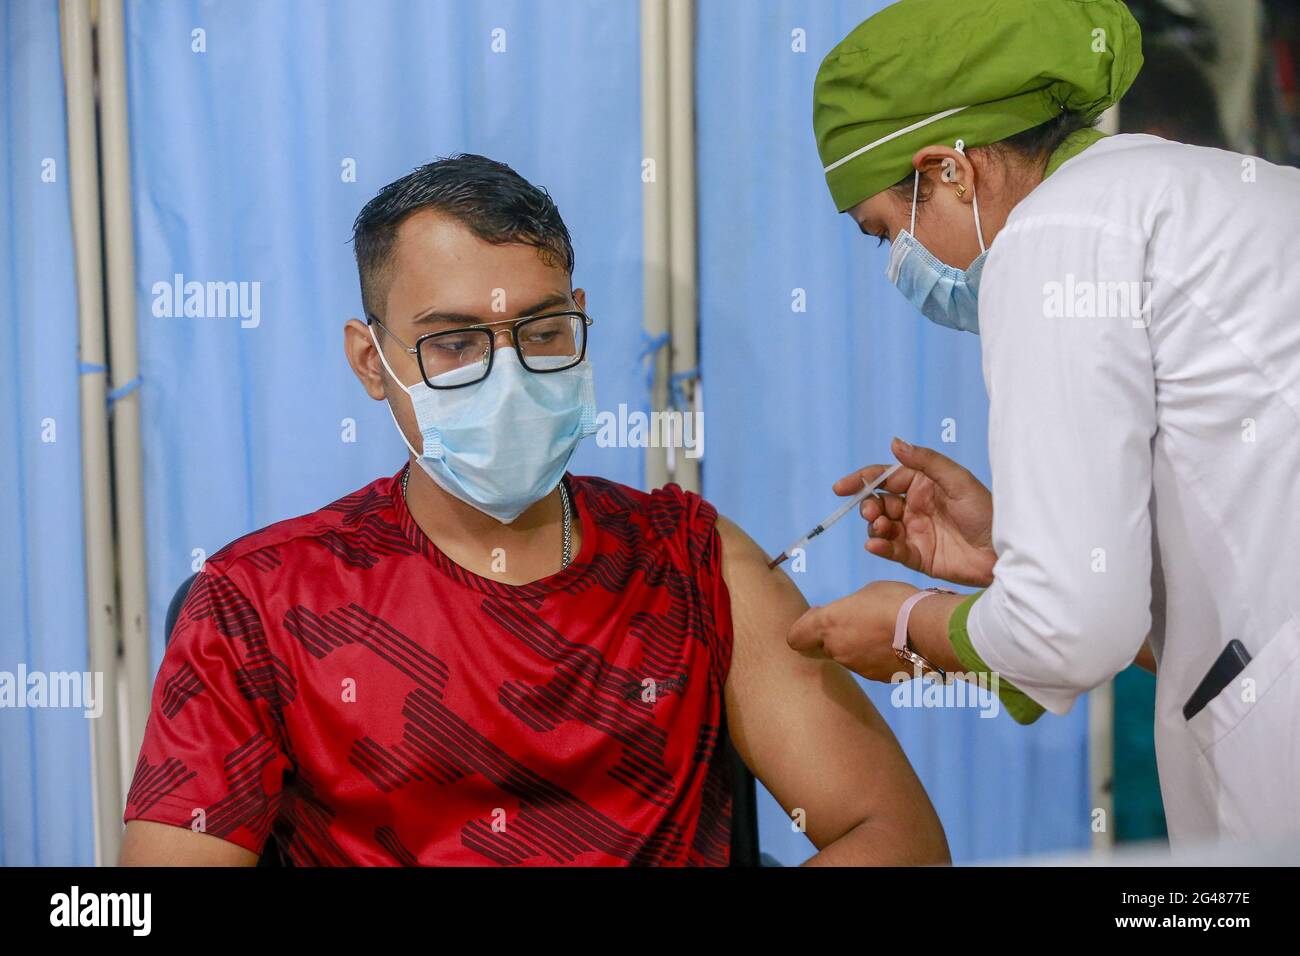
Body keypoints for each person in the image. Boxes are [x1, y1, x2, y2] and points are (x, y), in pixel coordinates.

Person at [119, 155, 948, 866]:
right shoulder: (258, 600)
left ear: (579, 320)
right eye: (454, 342)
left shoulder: (695, 563)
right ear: (371, 362)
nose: (508, 375)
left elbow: (893, 836)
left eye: (543, 331)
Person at [789, 0, 1300, 846]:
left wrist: (910, 627)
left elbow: (1071, 631)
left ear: (949, 171)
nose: (902, 269)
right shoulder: (1181, 196)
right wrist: (1008, 552)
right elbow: (1215, 583)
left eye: (887, 233)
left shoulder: (1055, 238)